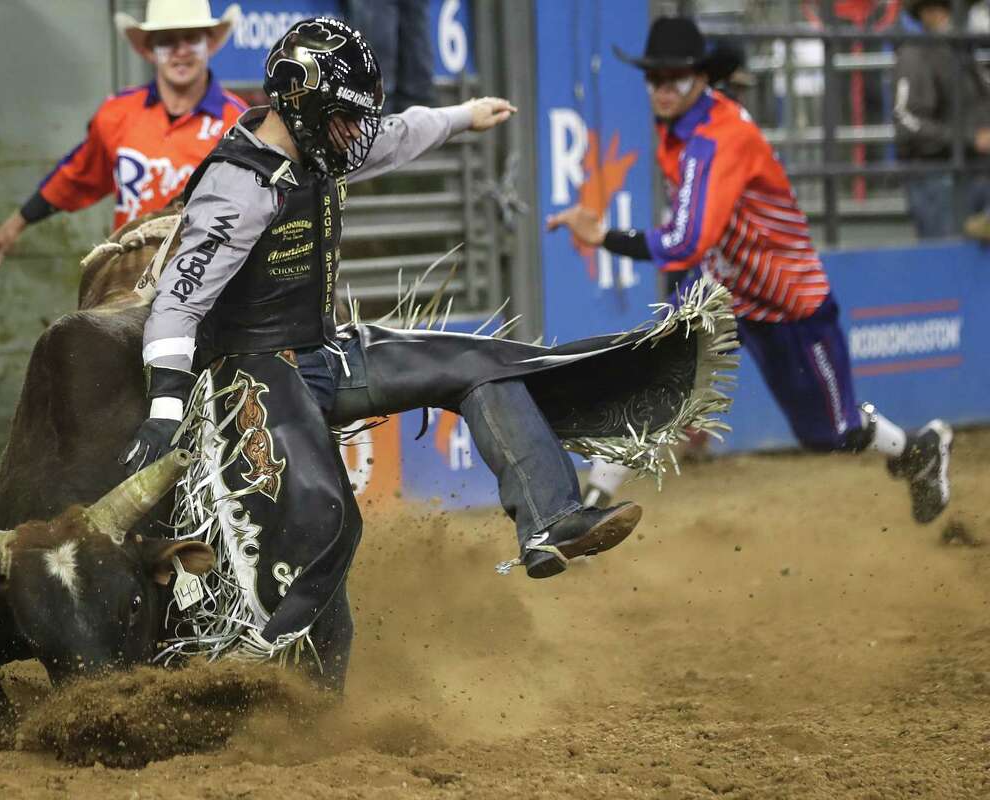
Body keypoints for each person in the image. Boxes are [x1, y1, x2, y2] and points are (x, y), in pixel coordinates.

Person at [114, 18, 725, 669]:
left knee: (477, 363)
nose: (358, 135)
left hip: (319, 353)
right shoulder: (238, 186)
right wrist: (165, 409)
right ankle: (254, 655)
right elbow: (179, 303)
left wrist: (465, 115)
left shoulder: (320, 141)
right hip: (247, 372)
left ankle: (550, 522)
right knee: (334, 518)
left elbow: (398, 135)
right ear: (304, 106)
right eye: (347, 119)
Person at [548, 16, 953, 526]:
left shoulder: (716, 138)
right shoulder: (684, 128)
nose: (660, 90)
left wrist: (604, 235)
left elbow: (684, 242)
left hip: (790, 305)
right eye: (653, 78)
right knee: (653, 376)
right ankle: (588, 511)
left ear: (699, 78)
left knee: (831, 433)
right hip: (726, 293)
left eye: (673, 78)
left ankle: (919, 449)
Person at [0, 0, 246, 268]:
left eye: (191, 39)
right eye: (167, 41)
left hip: (206, 278)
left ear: (210, 45)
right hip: (127, 273)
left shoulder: (239, 123)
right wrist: (17, 223)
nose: (180, 52)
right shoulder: (117, 114)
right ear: (149, 50)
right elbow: (76, 175)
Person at [893, 0, 990, 240]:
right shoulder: (916, 54)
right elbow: (906, 122)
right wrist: (971, 139)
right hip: (937, 177)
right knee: (947, 258)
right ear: (929, 12)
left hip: (970, 173)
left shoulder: (964, 55)